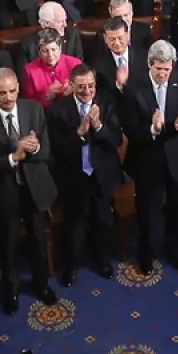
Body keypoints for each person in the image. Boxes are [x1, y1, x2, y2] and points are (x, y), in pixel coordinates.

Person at [0, 68, 60, 312]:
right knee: (8, 245)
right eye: (1, 93)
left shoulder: (33, 109)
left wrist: (33, 149)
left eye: (12, 91)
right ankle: (10, 291)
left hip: (35, 188)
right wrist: (14, 156)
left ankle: (41, 285)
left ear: (18, 88)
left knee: (38, 241)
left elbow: (46, 152)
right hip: (3, 192)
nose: (8, 97)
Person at [124, 41, 178, 273]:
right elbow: (130, 127)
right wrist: (155, 129)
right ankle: (145, 255)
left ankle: (176, 251)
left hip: (177, 157)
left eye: (167, 69)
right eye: (159, 69)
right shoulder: (134, 86)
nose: (163, 74)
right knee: (147, 212)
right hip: (148, 159)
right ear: (149, 65)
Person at [48, 65, 125, 285]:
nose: (87, 91)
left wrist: (98, 126)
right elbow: (56, 148)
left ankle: (101, 259)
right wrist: (79, 133)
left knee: (102, 219)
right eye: (81, 87)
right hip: (73, 176)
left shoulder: (107, 103)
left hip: (102, 174)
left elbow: (116, 140)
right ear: (71, 86)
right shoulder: (58, 110)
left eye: (91, 86)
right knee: (74, 223)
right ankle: (71, 267)